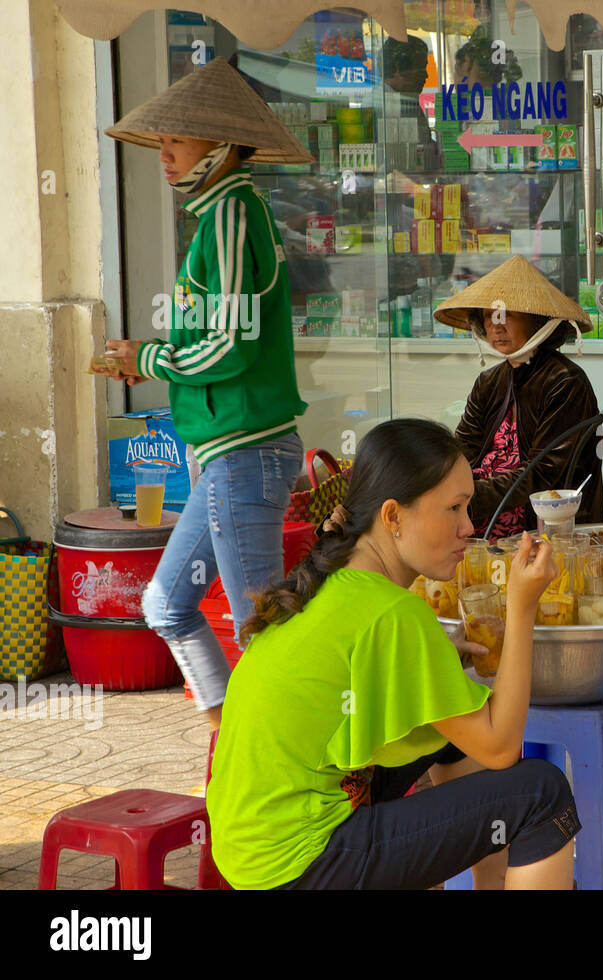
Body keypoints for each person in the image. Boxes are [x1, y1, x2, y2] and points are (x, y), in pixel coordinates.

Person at [207, 418, 579, 889]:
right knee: (543, 794)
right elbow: (501, 749)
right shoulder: (394, 612)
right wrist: (522, 607)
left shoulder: (335, 581)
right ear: (393, 517)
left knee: (446, 728)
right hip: (302, 863)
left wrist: (436, 663)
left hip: (251, 850)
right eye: (455, 508)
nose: (469, 527)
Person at [102, 58, 313, 729]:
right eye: (162, 141)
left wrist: (152, 356)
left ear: (220, 148)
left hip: (245, 456)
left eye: (179, 142)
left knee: (264, 630)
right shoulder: (224, 214)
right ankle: (231, 742)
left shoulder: (231, 215)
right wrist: (155, 359)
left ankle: (281, 765)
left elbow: (231, 345)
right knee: (167, 605)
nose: (164, 154)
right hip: (227, 455)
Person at [436, 254, 603, 540]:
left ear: (536, 321)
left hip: (540, 529)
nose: (497, 327)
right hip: (475, 522)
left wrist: (463, 500)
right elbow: (462, 449)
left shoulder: (565, 382)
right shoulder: (489, 382)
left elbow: (542, 477)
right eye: (490, 317)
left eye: (507, 316)